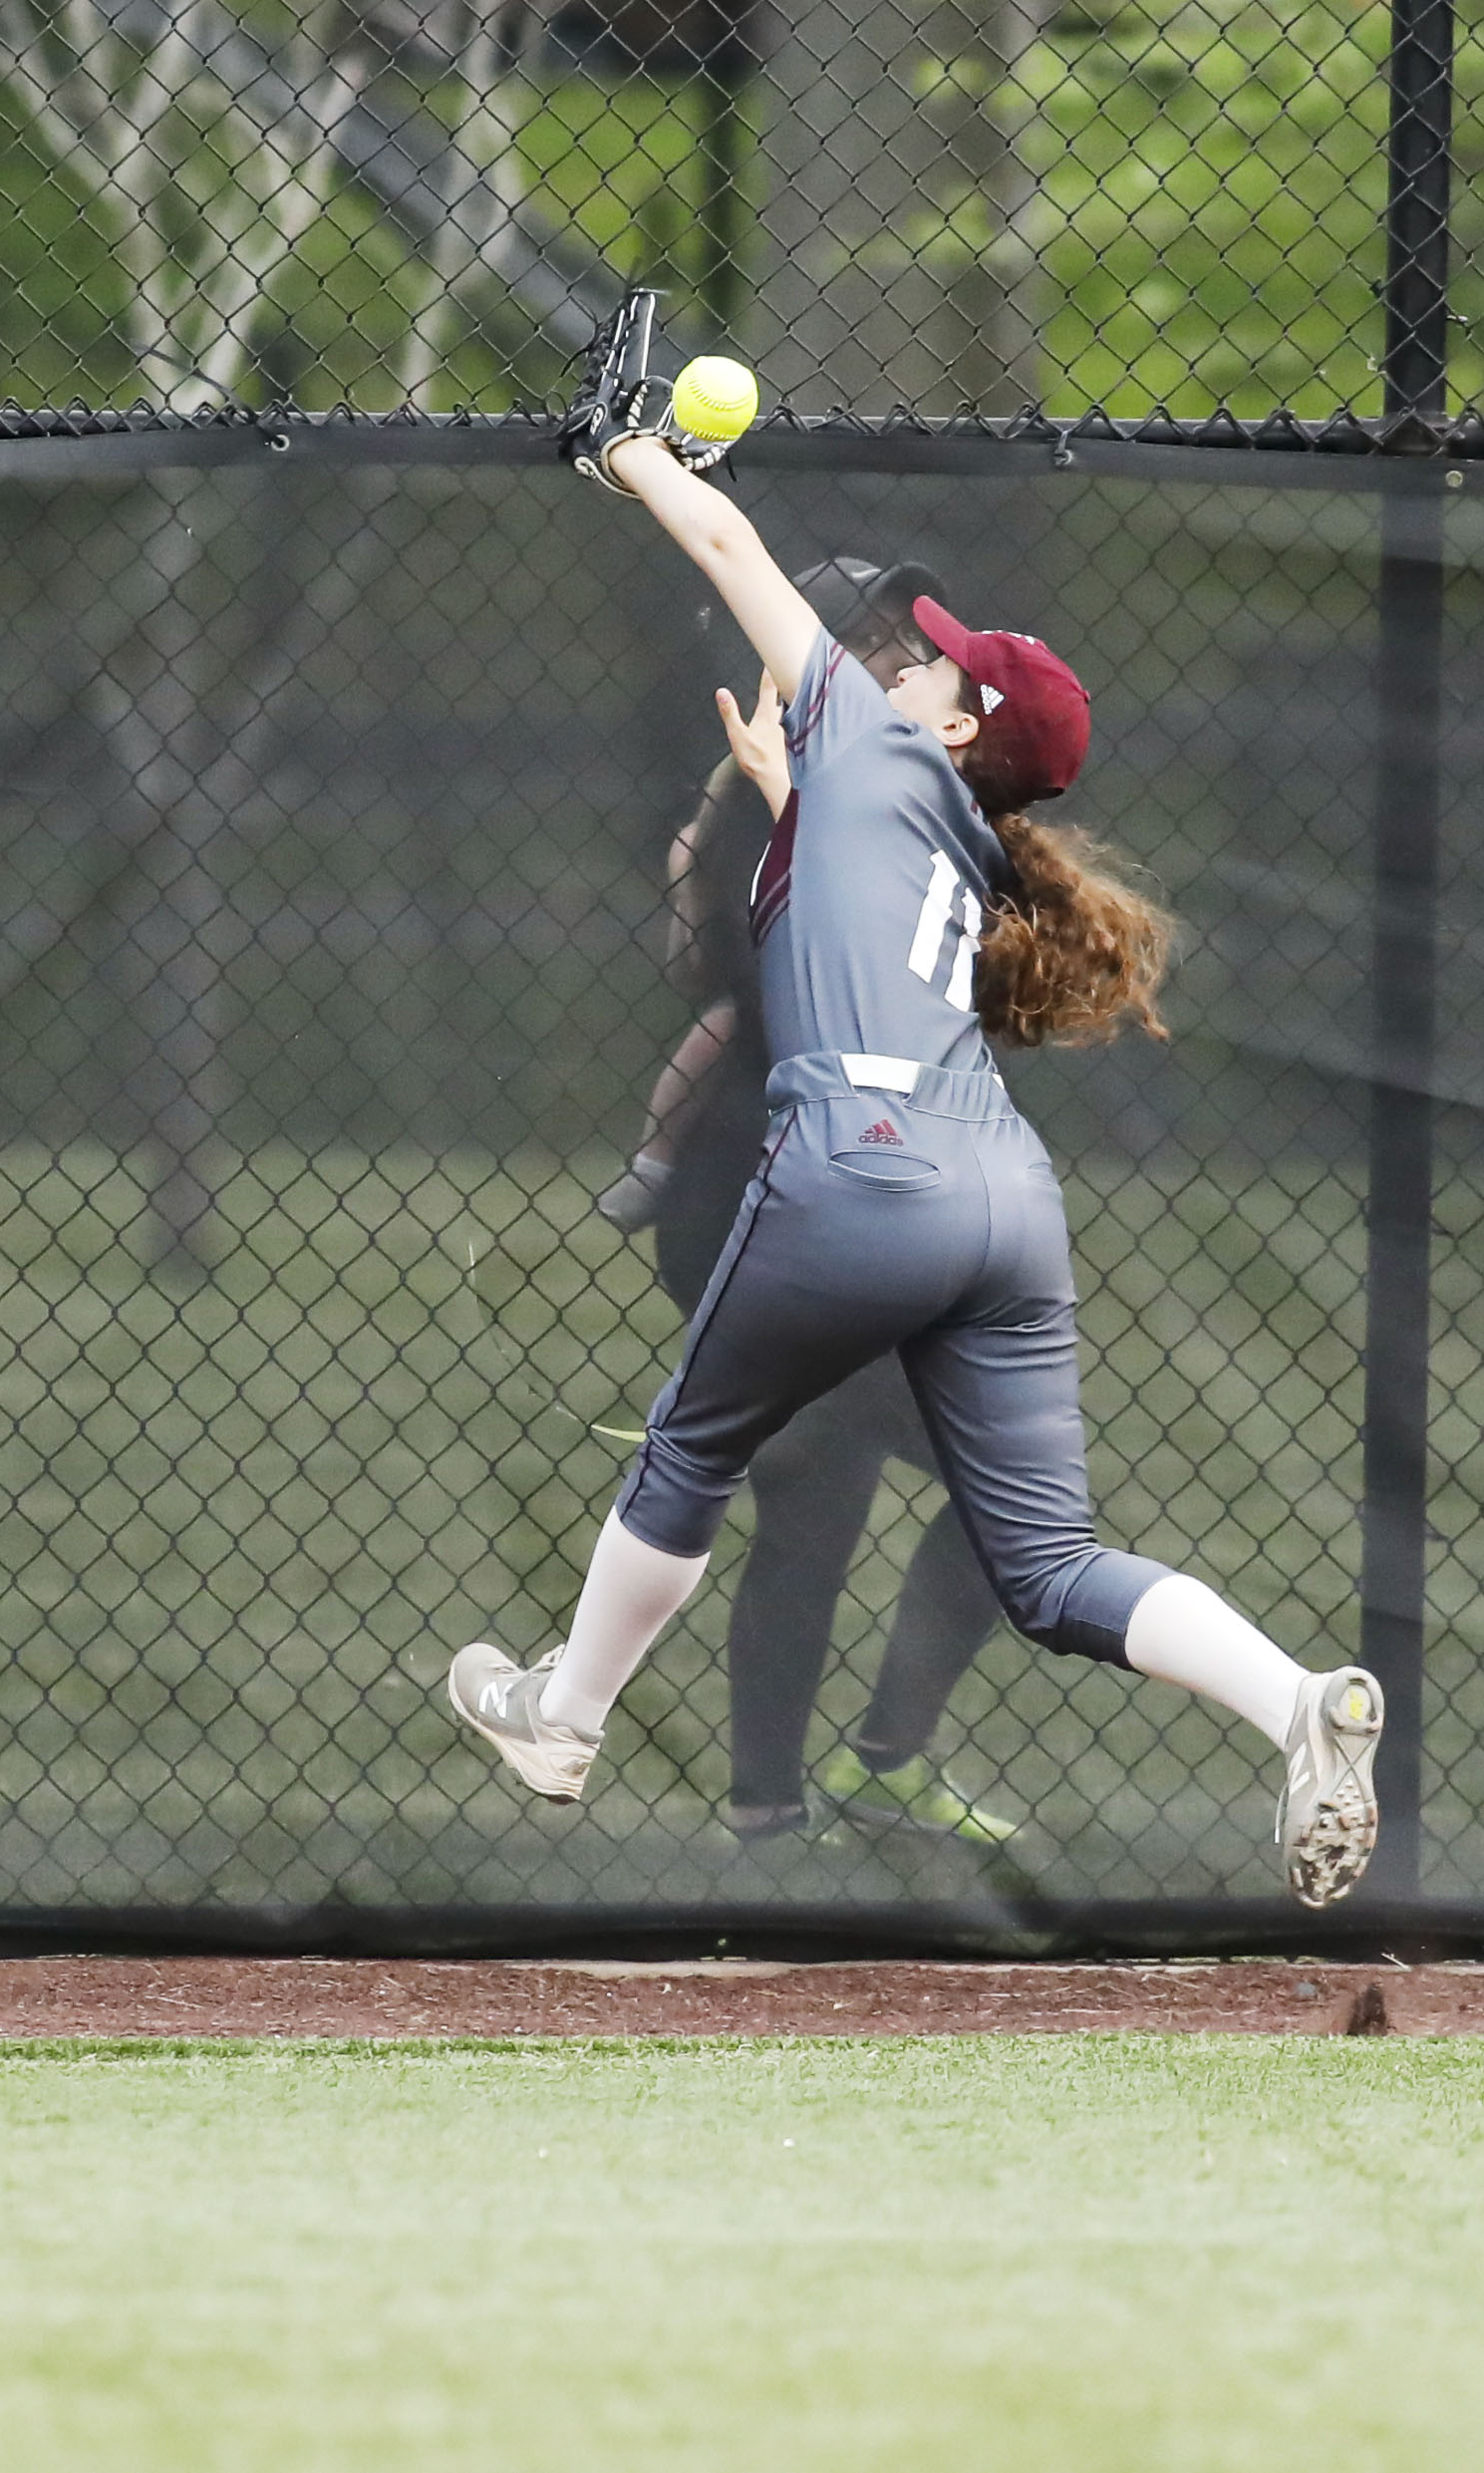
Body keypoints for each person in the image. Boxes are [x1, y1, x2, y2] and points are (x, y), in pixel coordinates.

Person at [449, 426, 1387, 1908]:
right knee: (1049, 1566)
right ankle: (1295, 1705)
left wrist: (630, 453)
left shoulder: (874, 744)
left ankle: (560, 1722)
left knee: (687, 1450)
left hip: (855, 1164)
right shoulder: (954, 832)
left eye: (935, 665)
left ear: (954, 731)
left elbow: (727, 553)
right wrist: (783, 788)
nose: (901, 659)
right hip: (1002, 1202)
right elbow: (834, 884)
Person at [612, 555, 1024, 1850]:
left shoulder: (897, 794)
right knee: (878, 1480)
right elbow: (753, 974)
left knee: (908, 1486)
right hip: (768, 1200)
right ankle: (814, 1789)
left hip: (861, 1203)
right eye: (867, 636)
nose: (900, 655)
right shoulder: (768, 797)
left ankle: (807, 1792)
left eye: (904, 637)